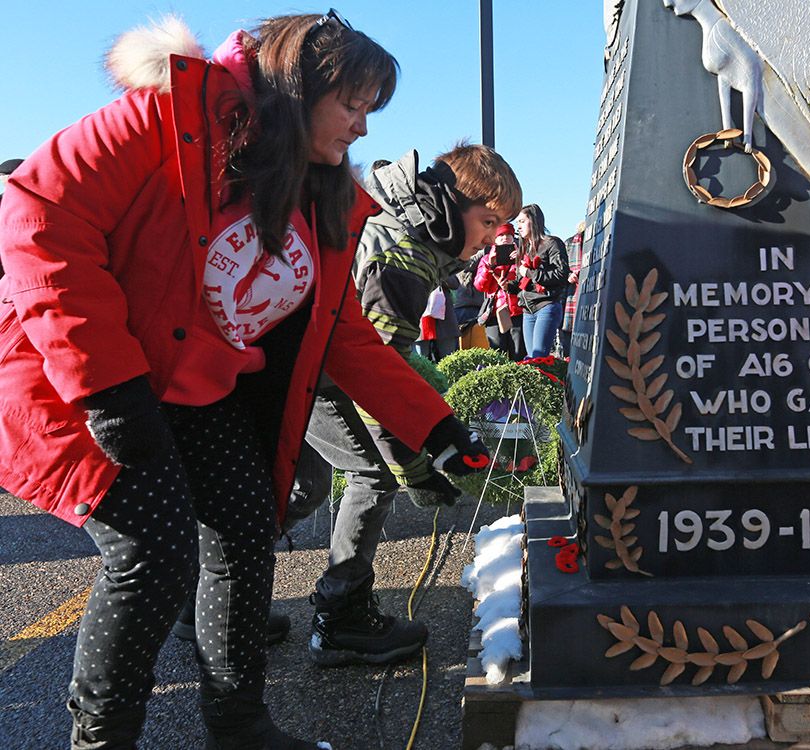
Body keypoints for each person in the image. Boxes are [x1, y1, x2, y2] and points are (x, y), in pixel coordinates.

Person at [0, 12, 489, 749]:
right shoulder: (166, 115)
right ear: (300, 87)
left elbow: (343, 335)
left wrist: (435, 427)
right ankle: (102, 740)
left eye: (369, 111)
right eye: (353, 105)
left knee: (245, 528)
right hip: (78, 377)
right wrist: (106, 387)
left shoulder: (319, 192)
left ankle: (240, 726)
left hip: (197, 386)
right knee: (153, 549)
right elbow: (39, 215)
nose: (362, 128)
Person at [300, 143, 521, 667]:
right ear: (449, 207)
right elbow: (377, 376)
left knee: (302, 486)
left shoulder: (409, 234)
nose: (494, 237)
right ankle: (340, 617)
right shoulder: (402, 256)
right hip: (312, 370)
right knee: (372, 476)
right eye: (488, 221)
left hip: (307, 362)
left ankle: (218, 590)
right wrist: (416, 467)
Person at [513, 203, 570, 358]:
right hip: (527, 309)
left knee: (538, 358)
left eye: (522, 221)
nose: (519, 226)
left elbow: (561, 274)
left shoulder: (552, 243)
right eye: (518, 222)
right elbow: (521, 284)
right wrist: (507, 284)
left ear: (534, 221)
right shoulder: (524, 250)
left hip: (546, 305)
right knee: (532, 360)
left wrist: (530, 272)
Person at [475, 222, 526, 360]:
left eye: (508, 235)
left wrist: (520, 260)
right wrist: (490, 265)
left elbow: (529, 282)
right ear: (494, 239)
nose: (505, 238)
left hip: (517, 312)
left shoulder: (522, 257)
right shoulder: (486, 259)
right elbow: (480, 286)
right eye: (501, 235)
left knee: (519, 356)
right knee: (497, 357)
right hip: (494, 314)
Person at [558, 220, 585, 356]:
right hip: (570, 299)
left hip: (587, 295)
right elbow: (559, 270)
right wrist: (568, 275)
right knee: (567, 347)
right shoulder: (568, 244)